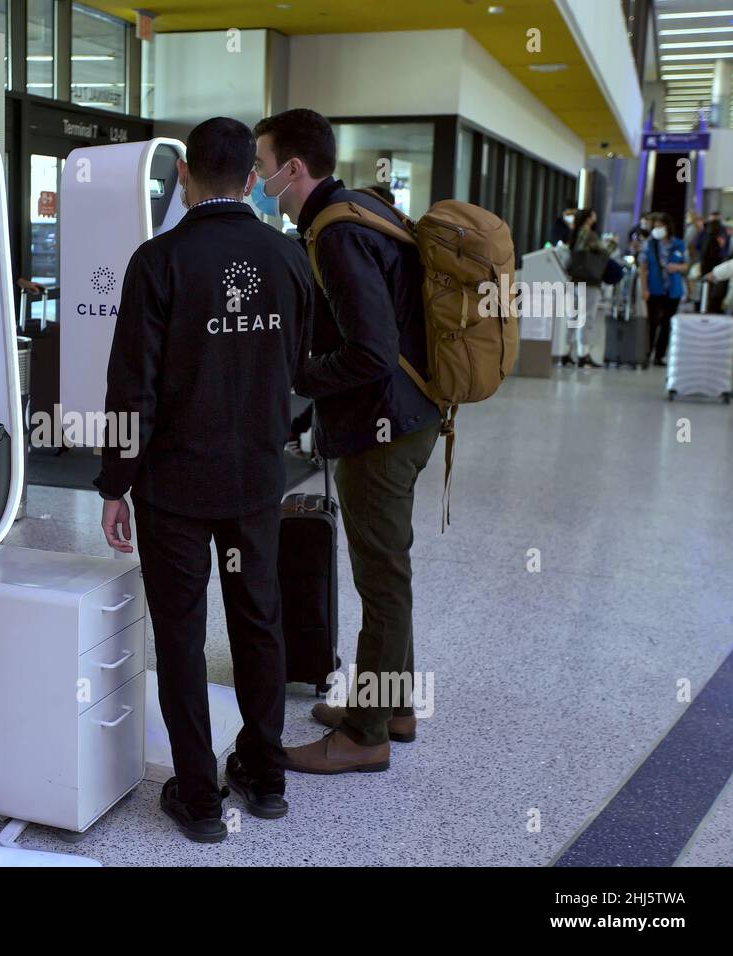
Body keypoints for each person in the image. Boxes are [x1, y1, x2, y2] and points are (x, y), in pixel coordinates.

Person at [94, 116, 312, 843]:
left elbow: (132, 388)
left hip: (174, 491)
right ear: (252, 178)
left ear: (183, 176)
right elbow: (302, 370)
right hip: (255, 481)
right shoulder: (288, 259)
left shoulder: (157, 262)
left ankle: (198, 797)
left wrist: (114, 483)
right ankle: (267, 776)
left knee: (182, 634)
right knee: (258, 622)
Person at [253, 108, 441, 774]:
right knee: (391, 568)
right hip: (410, 415)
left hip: (383, 427)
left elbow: (371, 351)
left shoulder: (335, 235)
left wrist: (297, 373)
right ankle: (393, 704)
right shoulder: (356, 207)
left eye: (261, 165)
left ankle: (365, 736)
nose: (257, 178)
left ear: (293, 169)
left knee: (382, 576)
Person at [638, 213, 688, 366]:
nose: (657, 229)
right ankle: (646, 353)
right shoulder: (649, 244)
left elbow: (686, 266)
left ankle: (660, 355)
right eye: (655, 226)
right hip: (654, 288)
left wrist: (677, 267)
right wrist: (644, 289)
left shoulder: (678, 244)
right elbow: (643, 268)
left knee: (667, 323)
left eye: (660, 226)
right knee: (652, 323)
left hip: (673, 290)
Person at [562, 208, 606, 368]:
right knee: (586, 318)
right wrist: (612, 243)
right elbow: (604, 251)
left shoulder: (573, 234)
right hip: (589, 281)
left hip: (573, 279)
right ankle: (583, 354)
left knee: (571, 318)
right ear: (589, 218)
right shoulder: (590, 235)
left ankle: (565, 353)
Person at [698, 215, 730, 313]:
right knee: (713, 292)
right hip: (715, 268)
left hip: (711, 268)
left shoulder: (706, 235)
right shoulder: (712, 237)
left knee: (708, 291)